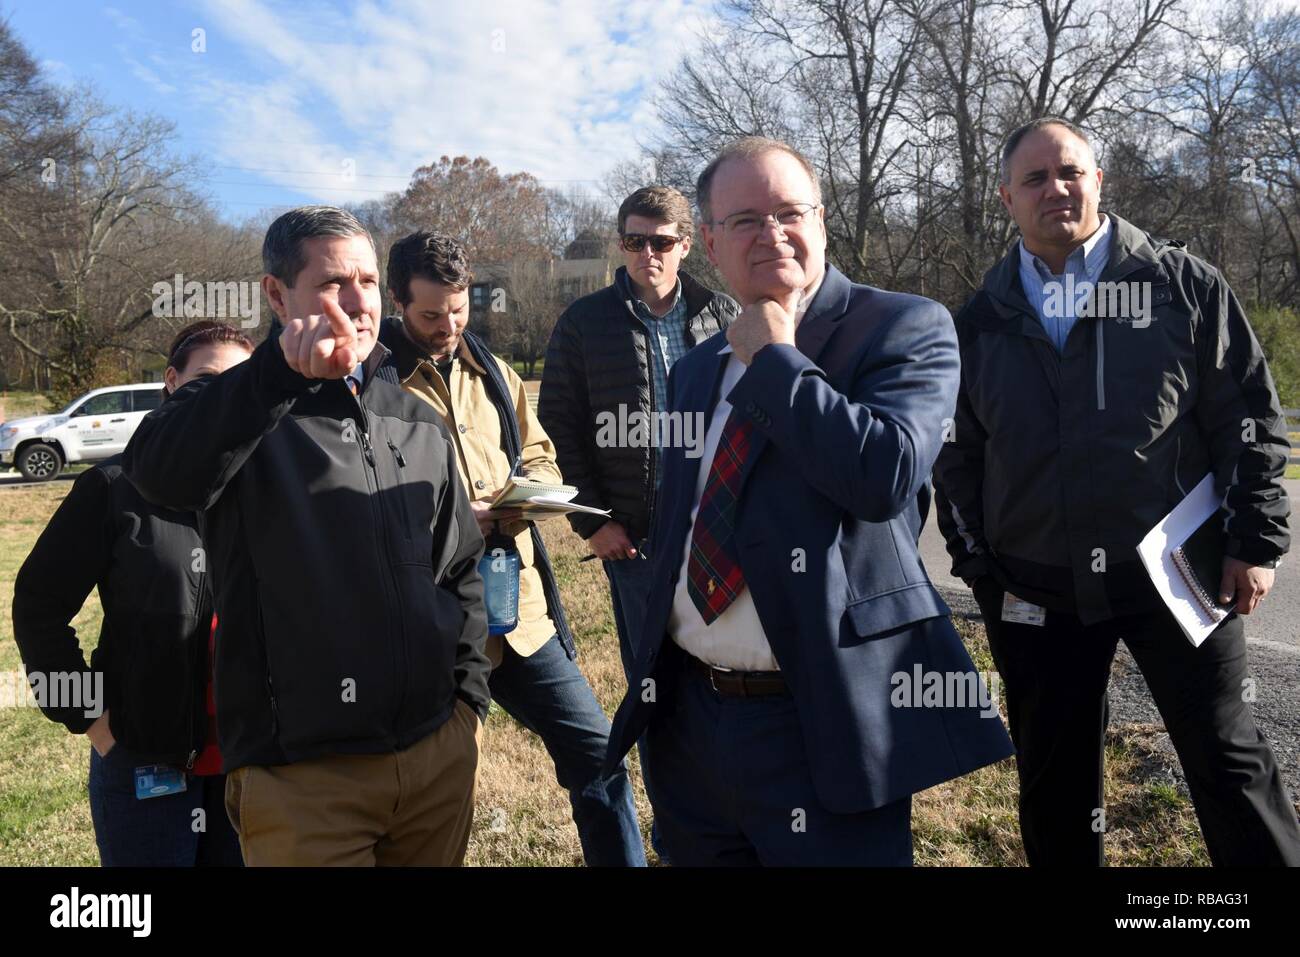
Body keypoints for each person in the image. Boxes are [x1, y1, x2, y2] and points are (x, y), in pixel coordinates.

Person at [603, 137, 1014, 866]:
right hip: (692, 722)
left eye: (791, 212)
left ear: (822, 220)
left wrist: (776, 358)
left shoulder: (903, 326)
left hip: (823, 719)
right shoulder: (699, 366)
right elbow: (683, 520)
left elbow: (882, 476)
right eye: (746, 220)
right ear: (710, 242)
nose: (773, 233)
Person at [932, 116, 1300, 866]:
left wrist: (1255, 543)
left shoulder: (1180, 286)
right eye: (1034, 178)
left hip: (1180, 578)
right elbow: (957, 456)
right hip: (1036, 590)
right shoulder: (978, 322)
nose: (1055, 188)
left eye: (1070, 171)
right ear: (1006, 197)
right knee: (1055, 779)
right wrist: (980, 569)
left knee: (1230, 760)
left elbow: (1250, 422)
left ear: (1099, 180)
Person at [122, 206, 490, 867]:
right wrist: (277, 378)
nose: (357, 302)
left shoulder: (414, 416)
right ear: (275, 293)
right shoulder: (241, 403)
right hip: (303, 781)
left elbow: (458, 565)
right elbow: (157, 471)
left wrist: (468, 701)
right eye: (331, 284)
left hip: (436, 759)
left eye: (369, 282)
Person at [378, 231, 645, 866]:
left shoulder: (494, 371)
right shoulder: (369, 381)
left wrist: (536, 492)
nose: (449, 325)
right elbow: (351, 495)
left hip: (518, 614)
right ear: (396, 301)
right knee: (424, 794)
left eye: (460, 309)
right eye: (430, 315)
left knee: (598, 755)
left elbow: (538, 451)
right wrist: (449, 516)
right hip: (426, 625)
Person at [13, 320, 253, 866]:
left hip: (251, 765)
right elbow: (38, 606)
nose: (220, 397)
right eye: (205, 379)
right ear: (172, 381)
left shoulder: (265, 490)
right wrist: (91, 721)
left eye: (237, 384)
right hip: (144, 762)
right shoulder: (114, 486)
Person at [538, 186, 736, 678]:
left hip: (717, 530)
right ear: (621, 245)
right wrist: (592, 523)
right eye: (634, 242)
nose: (647, 253)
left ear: (685, 245)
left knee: (727, 673)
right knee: (653, 684)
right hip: (635, 539)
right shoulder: (585, 322)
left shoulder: (723, 315)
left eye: (662, 243)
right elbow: (558, 429)